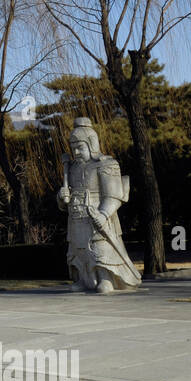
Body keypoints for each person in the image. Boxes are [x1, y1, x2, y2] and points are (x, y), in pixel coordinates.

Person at [57, 118, 141, 293]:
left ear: (91, 145)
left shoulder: (106, 165)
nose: (76, 152)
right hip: (76, 215)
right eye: (73, 148)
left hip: (97, 211)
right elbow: (65, 200)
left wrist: (103, 214)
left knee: (100, 247)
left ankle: (105, 278)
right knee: (79, 248)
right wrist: (61, 197)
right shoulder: (72, 169)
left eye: (80, 147)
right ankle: (85, 278)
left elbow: (114, 195)